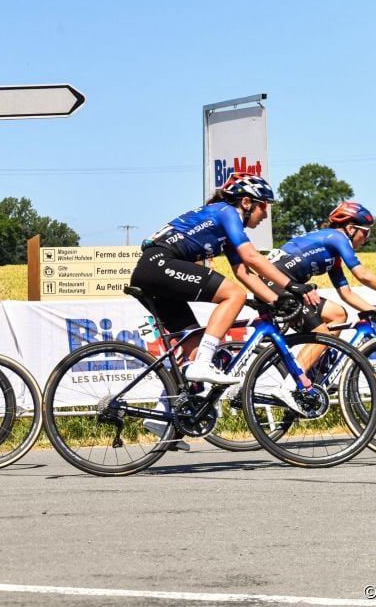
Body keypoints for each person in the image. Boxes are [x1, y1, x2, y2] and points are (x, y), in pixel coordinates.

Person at [129, 173, 318, 442]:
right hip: (159, 264)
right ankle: (202, 365)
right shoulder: (227, 211)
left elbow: (244, 271)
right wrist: (294, 286)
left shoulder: (225, 226)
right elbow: (252, 257)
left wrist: (276, 300)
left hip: (154, 270)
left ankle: (163, 415)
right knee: (234, 296)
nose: (265, 214)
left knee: (193, 345)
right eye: (264, 206)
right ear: (246, 202)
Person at [266, 201, 376, 334]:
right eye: (366, 232)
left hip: (279, 284)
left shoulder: (331, 253)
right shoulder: (337, 237)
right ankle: (303, 367)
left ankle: (315, 366)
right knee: (321, 333)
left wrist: (375, 312)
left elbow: (346, 293)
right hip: (277, 283)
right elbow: (363, 275)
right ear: (351, 228)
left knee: (337, 315)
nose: (367, 238)